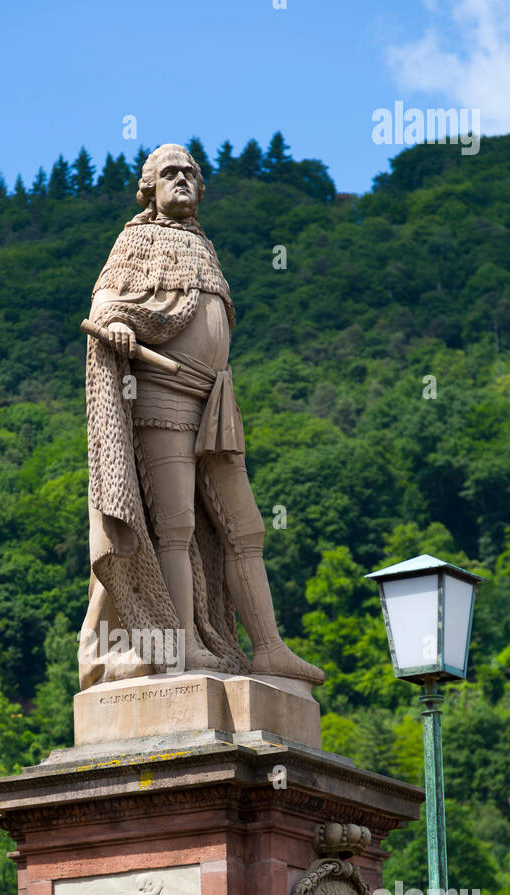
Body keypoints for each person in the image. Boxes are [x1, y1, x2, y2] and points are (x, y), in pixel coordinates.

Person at [81, 142, 324, 688]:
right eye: (170, 174)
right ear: (151, 189)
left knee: (245, 526)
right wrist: (118, 320)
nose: (183, 180)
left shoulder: (203, 246)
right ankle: (180, 641)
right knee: (176, 524)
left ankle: (269, 648)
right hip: (163, 393)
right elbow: (104, 304)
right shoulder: (135, 239)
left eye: (190, 172)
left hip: (216, 400)